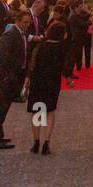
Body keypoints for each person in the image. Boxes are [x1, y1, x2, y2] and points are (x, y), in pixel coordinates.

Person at [0, 10, 30, 149]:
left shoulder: (20, 34)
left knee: (0, 107)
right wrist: (7, 77)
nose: (27, 25)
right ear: (17, 21)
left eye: (29, 23)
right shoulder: (11, 35)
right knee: (1, 108)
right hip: (5, 78)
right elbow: (2, 58)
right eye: (25, 22)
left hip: (12, 76)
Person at [26, 9, 65, 154]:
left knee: (38, 111)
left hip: (38, 82)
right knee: (50, 111)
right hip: (53, 82)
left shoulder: (40, 47)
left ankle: (36, 141)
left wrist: (28, 78)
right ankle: (46, 142)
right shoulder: (61, 49)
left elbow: (32, 64)